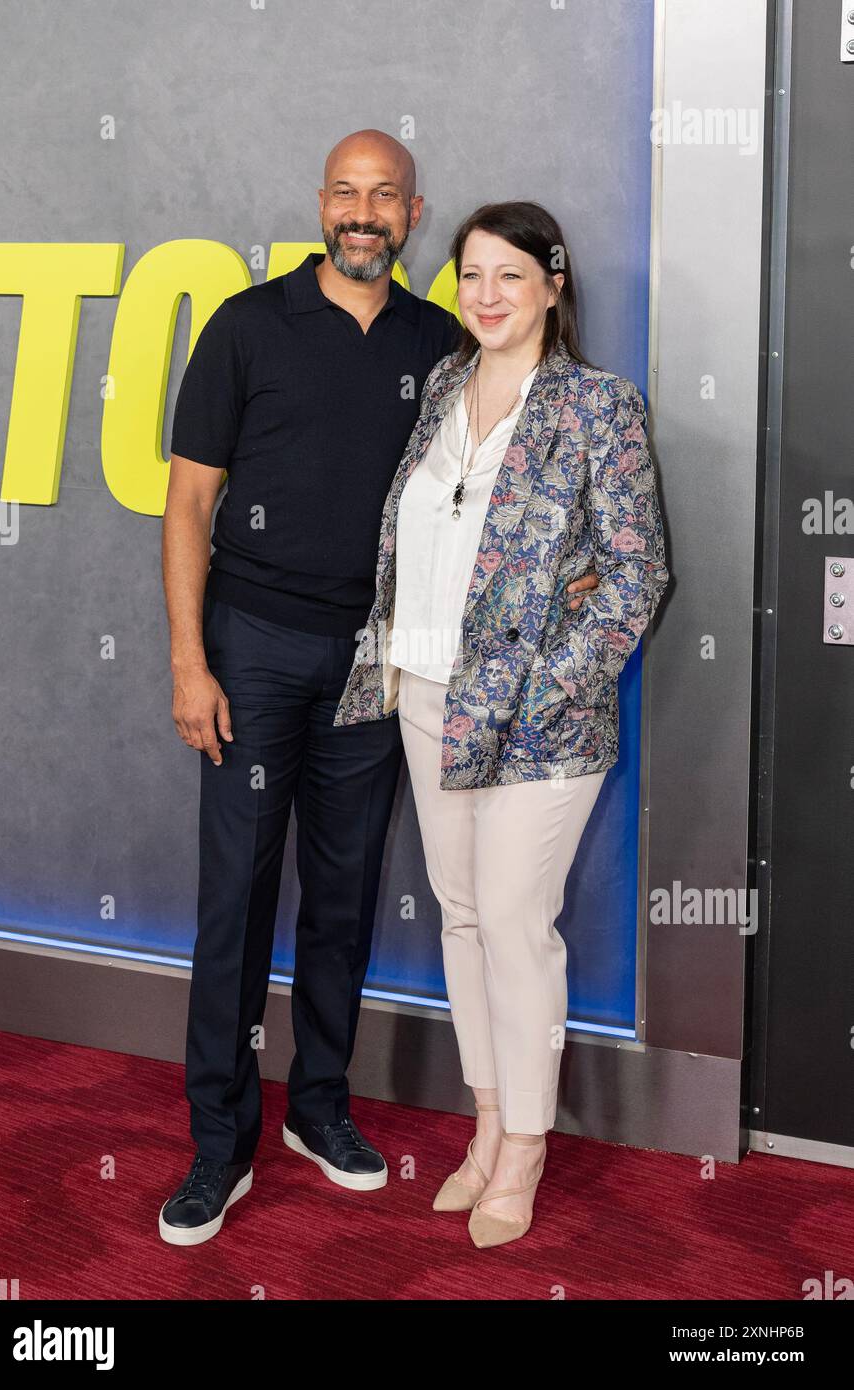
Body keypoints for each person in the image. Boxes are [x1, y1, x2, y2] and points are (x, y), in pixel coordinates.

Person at [158, 132, 601, 1245]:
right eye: (348, 195)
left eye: (386, 198)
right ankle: (219, 1144)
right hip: (251, 649)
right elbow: (186, 508)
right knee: (235, 900)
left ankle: (319, 1107)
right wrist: (187, 660)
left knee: (345, 898)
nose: (365, 213)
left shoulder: (445, 345)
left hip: (378, 663)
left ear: (413, 215)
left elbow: (509, 488)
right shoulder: (245, 326)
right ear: (322, 205)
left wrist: (575, 565)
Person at [334, 200, 669, 1249]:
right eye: (470, 275)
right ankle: (485, 1130)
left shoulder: (598, 408)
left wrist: (550, 684)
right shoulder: (442, 386)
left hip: (540, 727)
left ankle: (524, 1149)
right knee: (465, 917)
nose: (485, 295)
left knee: (519, 928)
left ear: (553, 284)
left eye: (510, 275)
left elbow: (636, 574)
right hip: (427, 696)